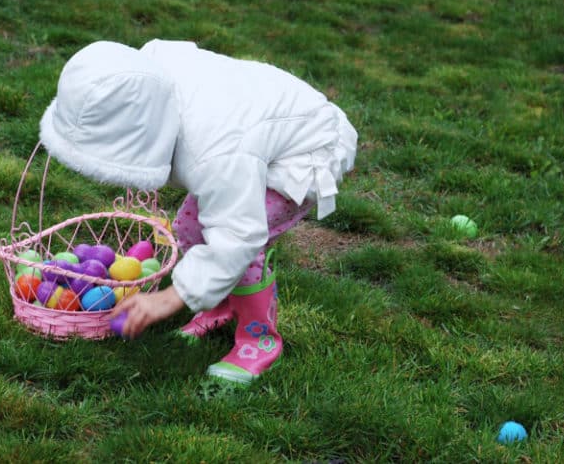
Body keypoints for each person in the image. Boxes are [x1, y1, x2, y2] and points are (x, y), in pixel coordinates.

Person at [39, 39, 357, 384]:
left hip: (308, 148)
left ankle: (259, 341)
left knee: (243, 251)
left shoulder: (216, 151)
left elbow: (238, 235)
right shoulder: (141, 79)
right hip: (256, 125)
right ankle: (220, 303)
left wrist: (170, 298)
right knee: (191, 228)